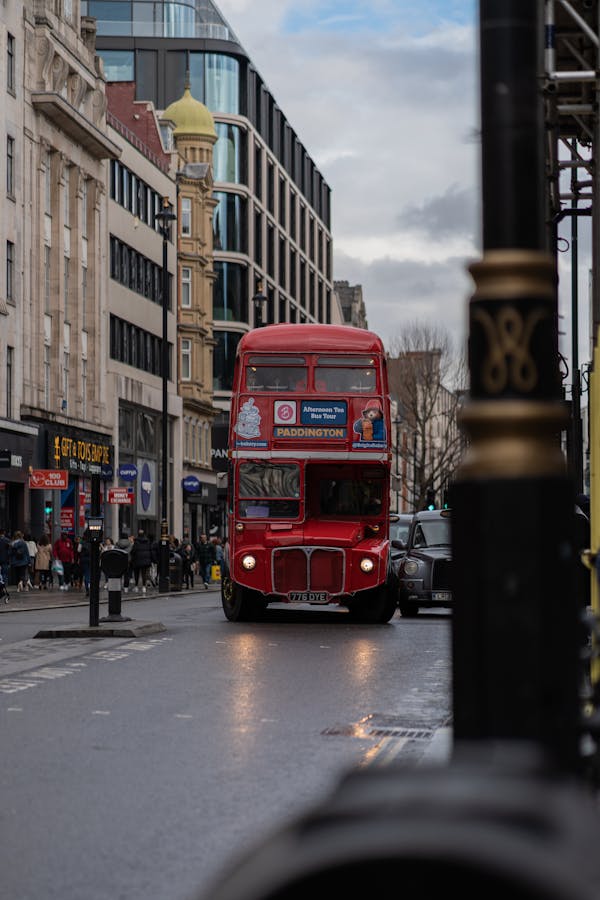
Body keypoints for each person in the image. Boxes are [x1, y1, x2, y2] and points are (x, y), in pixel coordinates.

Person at [130, 529, 153, 593]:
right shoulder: (147, 541)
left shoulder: (136, 542)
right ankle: (143, 587)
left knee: (136, 573)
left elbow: (133, 551)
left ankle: (136, 586)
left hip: (137, 560)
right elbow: (150, 550)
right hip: (145, 560)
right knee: (144, 574)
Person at [77, 529, 92, 595]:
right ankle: (90, 586)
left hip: (83, 559)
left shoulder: (81, 542)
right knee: (90, 574)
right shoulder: (92, 541)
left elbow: (78, 550)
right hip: (91, 559)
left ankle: (87, 588)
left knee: (86, 574)